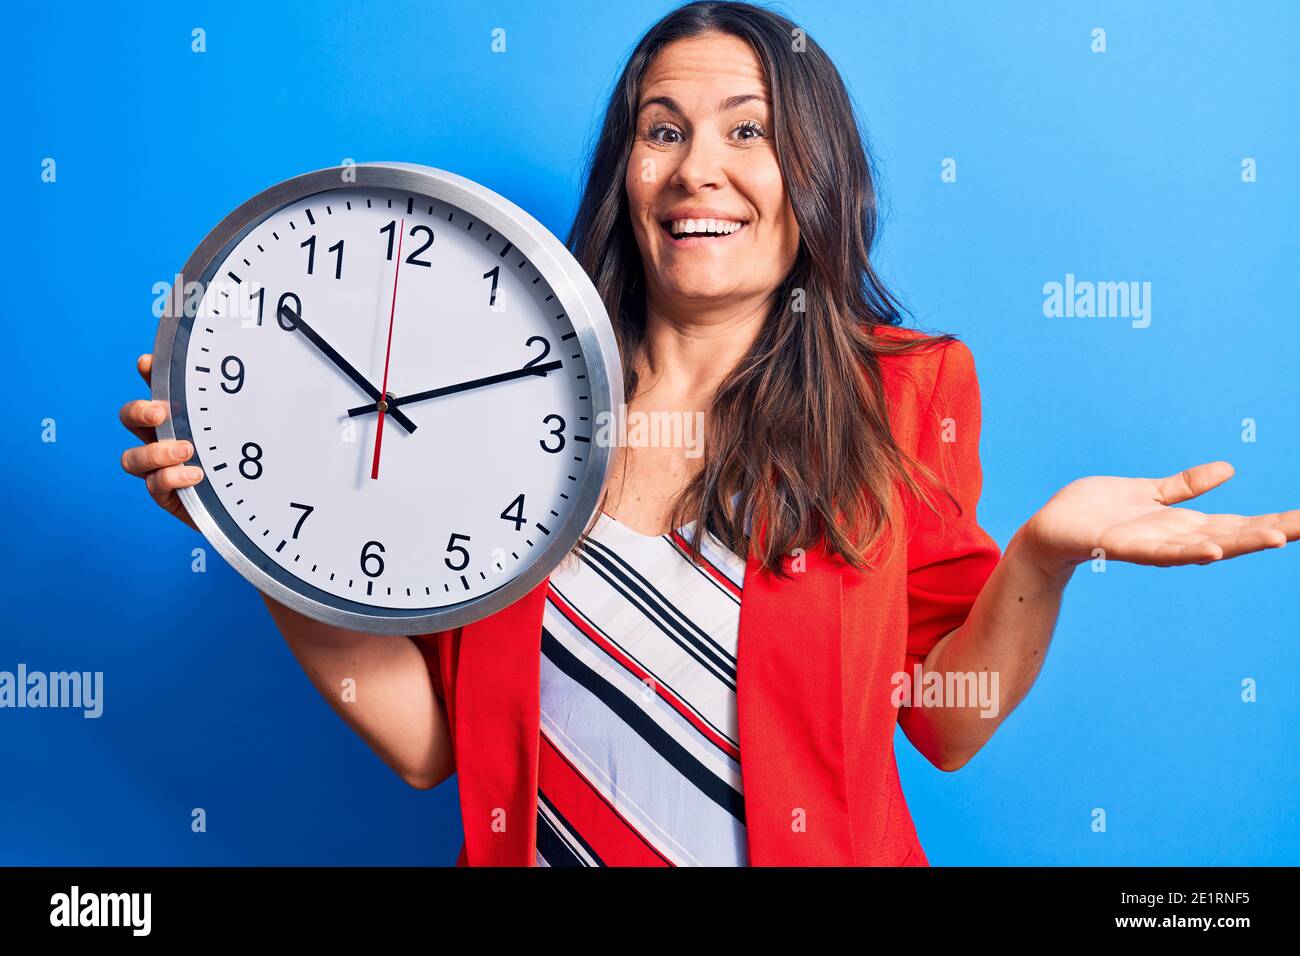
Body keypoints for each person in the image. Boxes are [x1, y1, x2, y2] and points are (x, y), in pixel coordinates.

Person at [118, 1, 1298, 866]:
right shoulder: (483, 407)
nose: (700, 171)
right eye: (660, 129)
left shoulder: (908, 389)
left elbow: (942, 720)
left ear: (813, 170)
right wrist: (257, 534)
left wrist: (1044, 551)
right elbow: (430, 746)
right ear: (624, 169)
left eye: (748, 130)